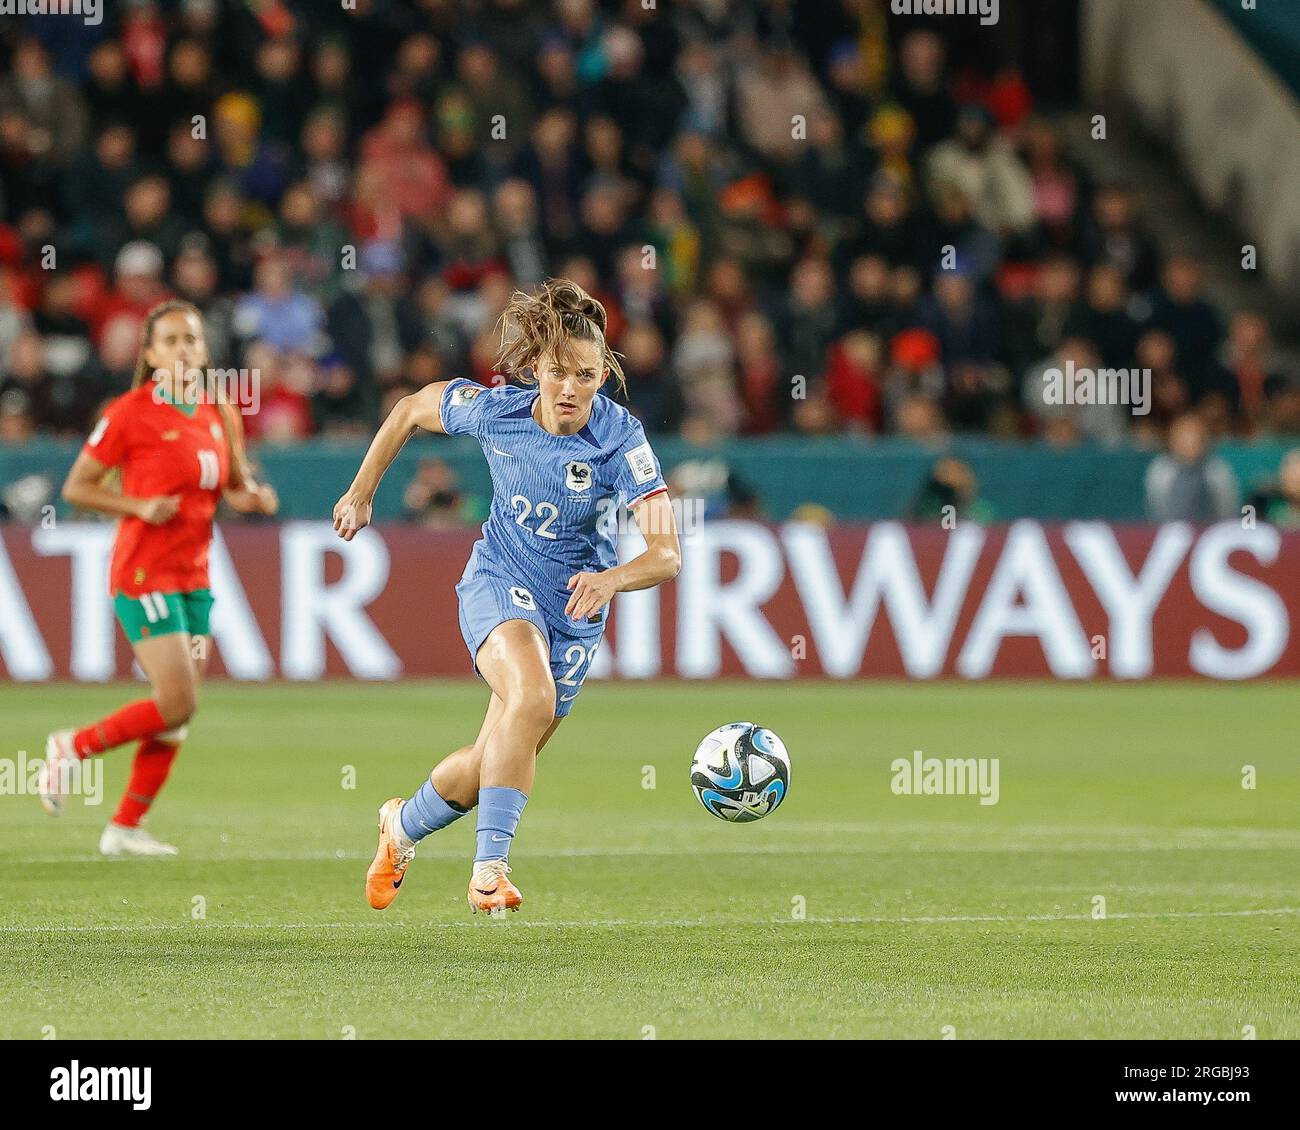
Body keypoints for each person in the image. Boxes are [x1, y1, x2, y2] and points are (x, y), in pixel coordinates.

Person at [333, 279, 681, 913]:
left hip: (574, 615)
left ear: (603, 373)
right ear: (535, 369)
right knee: (532, 695)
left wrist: (611, 578)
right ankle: (489, 871)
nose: (570, 387)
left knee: (493, 760)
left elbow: (666, 554)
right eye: (557, 372)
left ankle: (401, 826)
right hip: (500, 581)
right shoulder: (498, 411)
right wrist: (361, 491)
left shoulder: (621, 440)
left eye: (585, 373)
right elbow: (410, 408)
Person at [40, 300, 279, 855]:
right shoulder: (128, 412)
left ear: (204, 349)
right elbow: (76, 487)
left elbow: (234, 484)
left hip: (195, 575)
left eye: (191, 339)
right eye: (169, 341)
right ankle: (71, 746)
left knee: (177, 711)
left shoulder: (219, 410)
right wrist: (137, 506)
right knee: (179, 700)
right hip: (144, 572)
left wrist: (254, 497)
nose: (183, 350)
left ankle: (124, 827)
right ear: (150, 354)